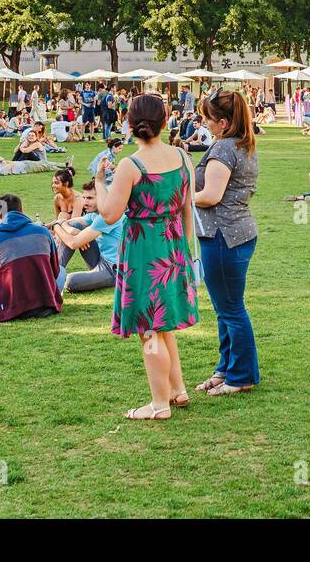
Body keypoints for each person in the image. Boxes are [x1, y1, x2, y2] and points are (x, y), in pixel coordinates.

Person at [94, 92, 199, 421]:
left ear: (129, 122)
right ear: (164, 122)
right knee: (163, 324)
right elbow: (187, 210)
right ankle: (177, 390)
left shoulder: (130, 165)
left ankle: (158, 404)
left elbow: (109, 214)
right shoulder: (183, 157)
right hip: (173, 245)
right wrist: (184, 251)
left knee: (150, 328)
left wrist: (99, 182)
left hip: (143, 249)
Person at [192, 88, 261, 396]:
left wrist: (181, 199)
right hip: (238, 233)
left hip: (223, 236)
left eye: (208, 118)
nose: (204, 123)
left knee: (231, 309)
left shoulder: (223, 150)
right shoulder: (243, 145)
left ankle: (241, 375)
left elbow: (210, 196)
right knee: (225, 308)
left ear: (222, 122)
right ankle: (226, 368)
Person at [0, 194, 63, 321]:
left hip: (11, 306)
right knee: (62, 269)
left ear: (0, 214)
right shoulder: (43, 232)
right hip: (45, 303)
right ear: (22, 210)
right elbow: (56, 271)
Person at [51, 182, 123, 293]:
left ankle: (54, 277)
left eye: (89, 198)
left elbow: (73, 243)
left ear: (103, 197)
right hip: (100, 259)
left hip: (113, 269)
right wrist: (65, 227)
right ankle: (55, 273)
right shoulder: (95, 214)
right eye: (83, 197)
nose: (85, 202)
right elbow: (71, 223)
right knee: (75, 226)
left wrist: (56, 227)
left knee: (71, 282)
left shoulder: (108, 216)